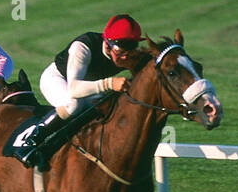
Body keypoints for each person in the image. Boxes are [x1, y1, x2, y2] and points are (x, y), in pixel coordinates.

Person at [11, 14, 142, 167]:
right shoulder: (83, 47)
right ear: (107, 44)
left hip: (88, 87)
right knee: (73, 104)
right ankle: (31, 141)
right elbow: (74, 89)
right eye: (122, 49)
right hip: (58, 79)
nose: (127, 56)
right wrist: (110, 83)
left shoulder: (126, 54)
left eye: (132, 48)